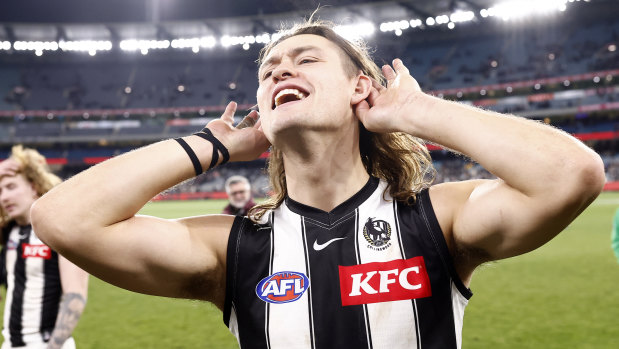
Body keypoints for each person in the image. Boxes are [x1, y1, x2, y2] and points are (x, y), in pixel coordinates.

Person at [31, 19, 605, 349]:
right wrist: (211, 147)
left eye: (304, 60)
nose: (280, 70)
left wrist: (416, 111)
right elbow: (61, 219)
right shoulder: (234, 247)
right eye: (268, 70)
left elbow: (571, 174)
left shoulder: (434, 219)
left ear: (362, 88)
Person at [0, 146, 89, 349]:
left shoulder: (59, 229)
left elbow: (75, 295)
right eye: (0, 191)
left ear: (34, 187)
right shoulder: (9, 231)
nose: (4, 197)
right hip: (10, 343)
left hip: (45, 344)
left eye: (11, 187)